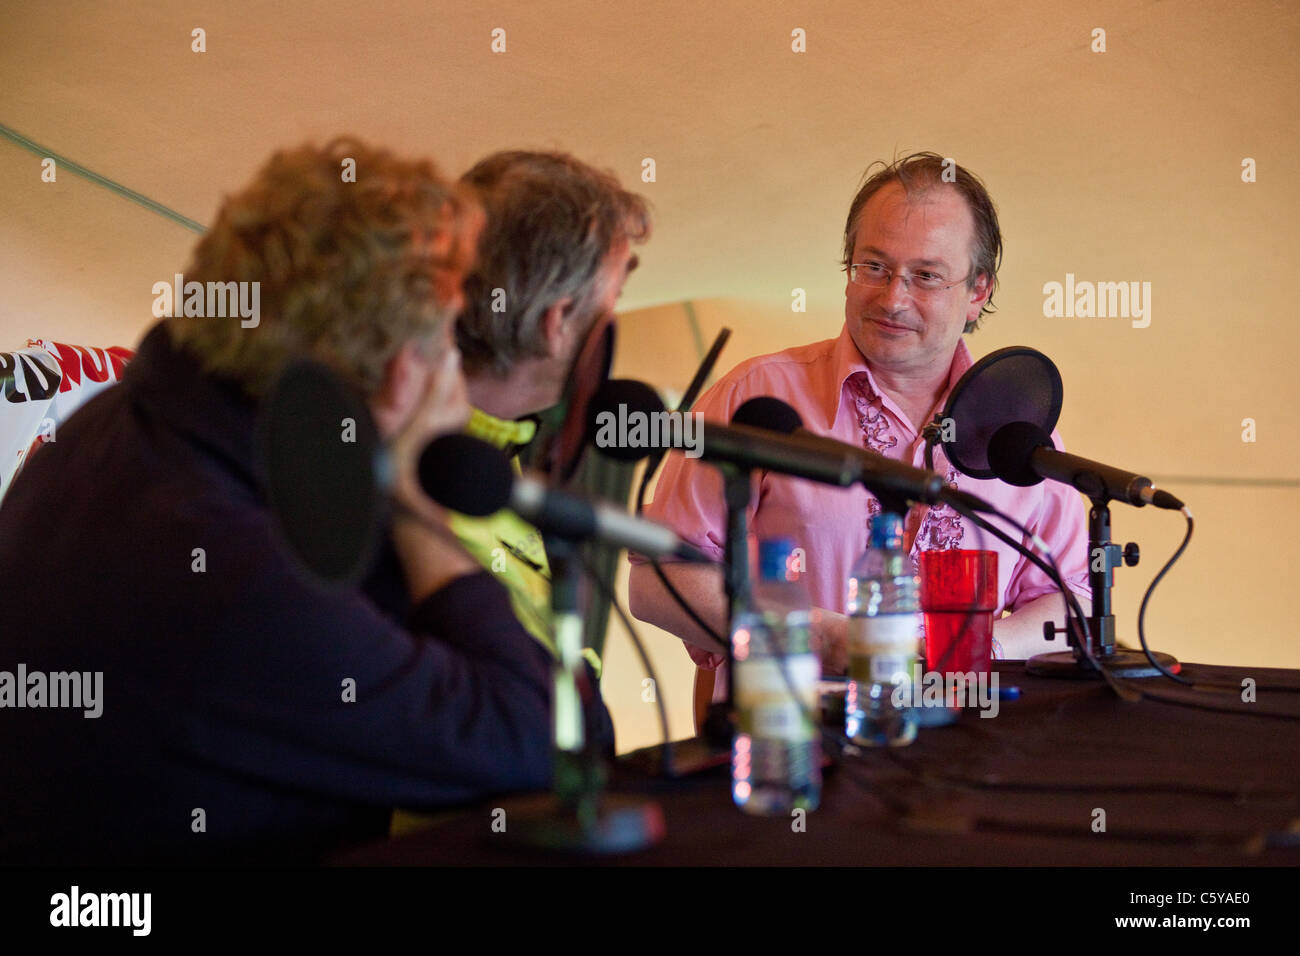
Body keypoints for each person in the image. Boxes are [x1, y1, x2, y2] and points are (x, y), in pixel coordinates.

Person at [0, 138, 558, 864]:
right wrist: (422, 500)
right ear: (400, 377)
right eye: (449, 342)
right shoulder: (223, 561)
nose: (457, 366)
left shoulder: (129, 428)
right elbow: (538, 742)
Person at [628, 152, 1092, 708]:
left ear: (978, 291)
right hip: (790, 750)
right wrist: (817, 637)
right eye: (873, 266)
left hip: (968, 764)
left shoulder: (1021, 436)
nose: (893, 298)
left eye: (925, 276)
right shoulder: (756, 395)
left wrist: (969, 648)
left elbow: (1071, 603)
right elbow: (656, 580)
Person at [448, 150, 648, 665]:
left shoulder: (496, 453)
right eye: (614, 298)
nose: (613, 322)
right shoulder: (433, 487)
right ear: (557, 321)